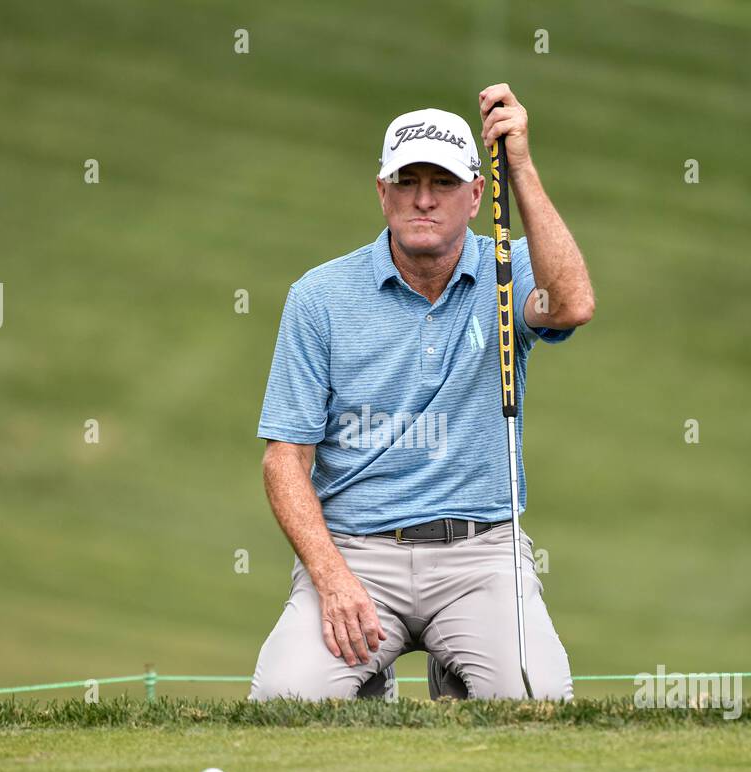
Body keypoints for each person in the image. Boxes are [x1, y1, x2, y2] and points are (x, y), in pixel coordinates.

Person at [249, 83, 594, 701]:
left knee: (535, 703)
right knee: (285, 700)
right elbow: (284, 460)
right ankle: (372, 684)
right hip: (355, 554)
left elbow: (572, 303)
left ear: (476, 194)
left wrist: (522, 166)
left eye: (442, 183)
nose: (424, 200)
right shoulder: (319, 298)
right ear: (382, 192)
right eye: (407, 182)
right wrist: (330, 578)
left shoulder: (507, 275)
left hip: (480, 555)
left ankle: (453, 667)